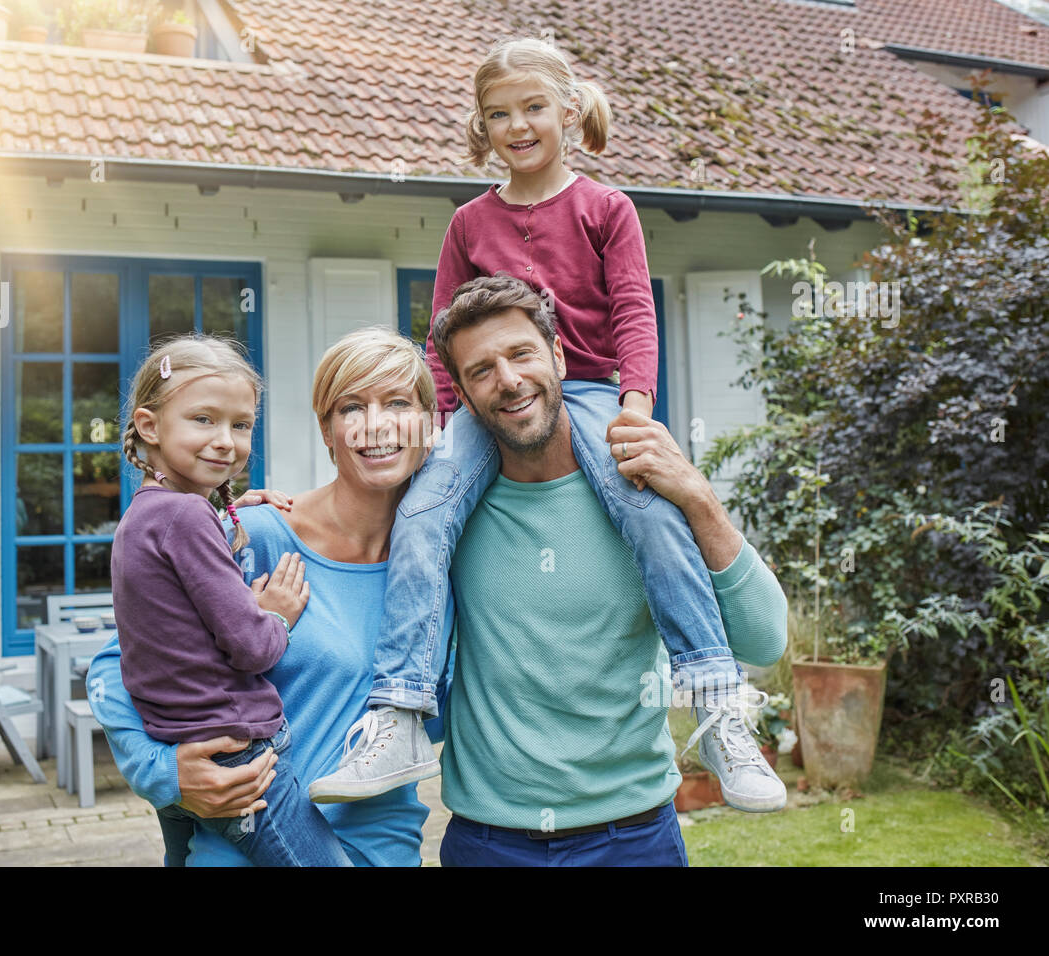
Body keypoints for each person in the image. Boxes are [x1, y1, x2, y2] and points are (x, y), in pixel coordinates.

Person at [310, 36, 786, 814]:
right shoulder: (469, 221)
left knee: (648, 509)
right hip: (480, 406)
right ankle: (397, 712)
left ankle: (718, 708)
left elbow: (634, 306)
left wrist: (636, 404)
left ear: (569, 111)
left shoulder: (607, 208)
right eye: (499, 114)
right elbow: (442, 333)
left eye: (534, 108)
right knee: (424, 515)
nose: (518, 125)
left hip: (592, 392)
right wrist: (435, 427)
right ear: (482, 127)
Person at [429, 276, 790, 865]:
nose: (509, 380)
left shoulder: (643, 498)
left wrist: (699, 497)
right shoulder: (446, 513)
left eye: (521, 354)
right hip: (488, 840)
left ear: (560, 356)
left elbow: (765, 639)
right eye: (482, 370)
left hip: (632, 838)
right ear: (465, 398)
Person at [88, 328, 452, 866]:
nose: (377, 426)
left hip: (380, 853)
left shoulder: (444, 569)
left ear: (429, 423)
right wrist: (164, 773)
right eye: (352, 407)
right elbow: (118, 664)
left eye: (398, 403)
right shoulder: (254, 535)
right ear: (327, 431)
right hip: (242, 847)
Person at [110, 333, 350, 866]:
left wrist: (224, 519)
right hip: (239, 753)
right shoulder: (187, 516)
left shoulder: (147, 515)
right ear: (149, 425)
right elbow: (251, 649)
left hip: (179, 743)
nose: (226, 440)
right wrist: (276, 616)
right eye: (203, 419)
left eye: (240, 425)